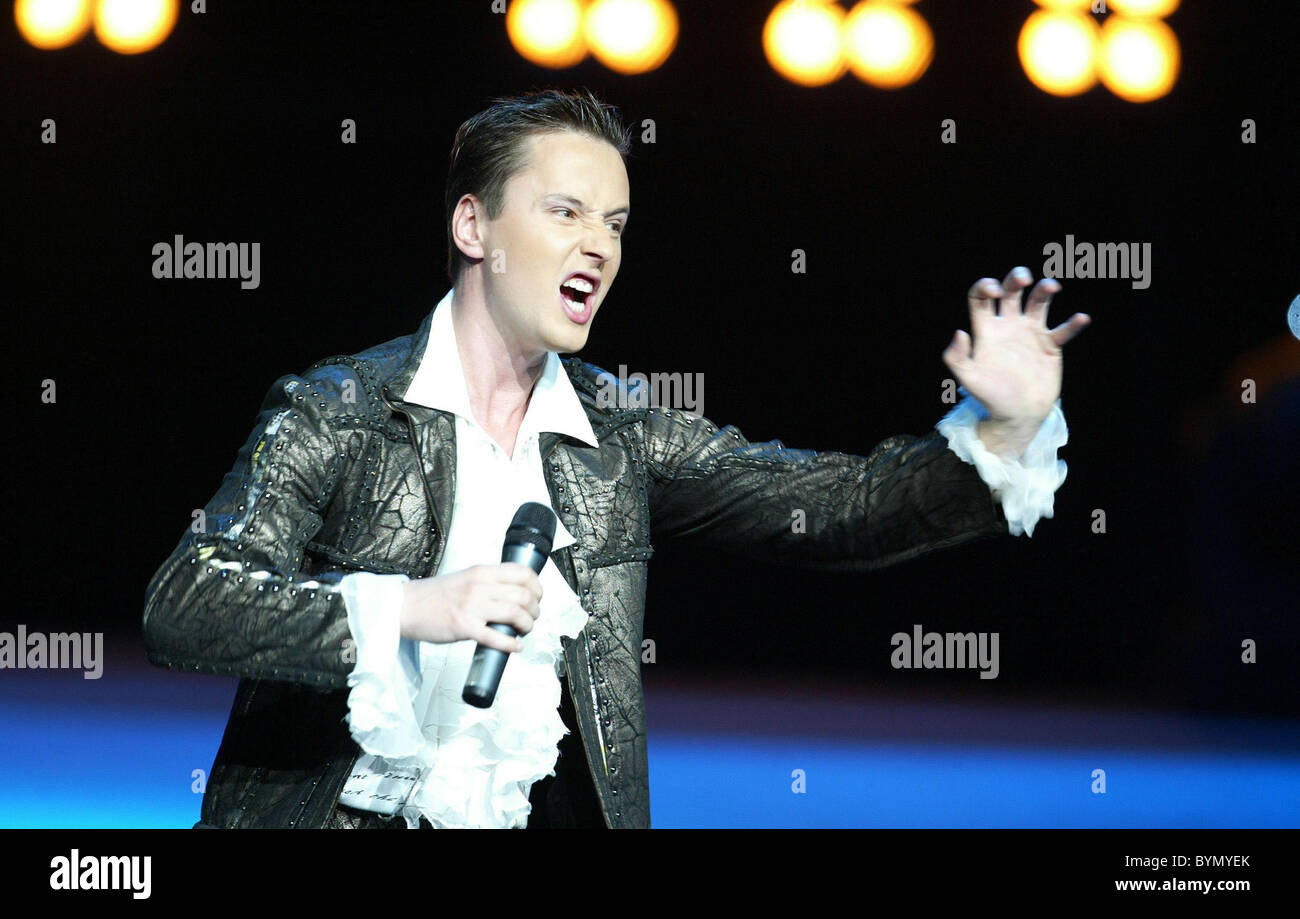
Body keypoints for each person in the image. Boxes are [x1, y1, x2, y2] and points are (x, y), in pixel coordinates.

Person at [142, 88, 1091, 829]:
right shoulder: (340, 406)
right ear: (474, 228)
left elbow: (834, 506)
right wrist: (411, 609)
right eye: (565, 212)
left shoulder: (622, 431)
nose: (598, 244)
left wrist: (999, 430)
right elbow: (189, 601)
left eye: (616, 223)